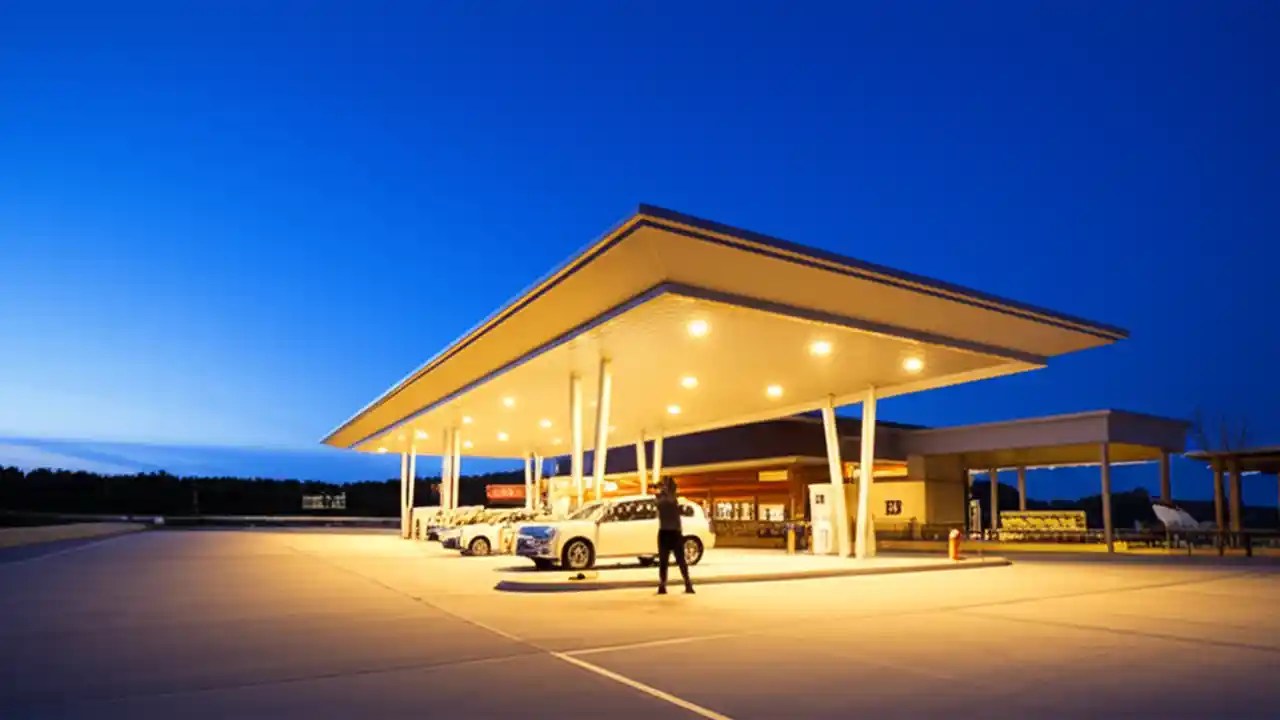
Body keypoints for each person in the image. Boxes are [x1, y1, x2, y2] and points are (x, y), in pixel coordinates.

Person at [655, 476, 694, 594]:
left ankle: (688, 583)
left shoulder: (675, 498)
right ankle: (662, 585)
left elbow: (671, 501)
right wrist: (662, 491)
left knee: (681, 560)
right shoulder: (660, 498)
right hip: (665, 531)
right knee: (663, 561)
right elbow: (659, 504)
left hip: (674, 532)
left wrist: (665, 490)